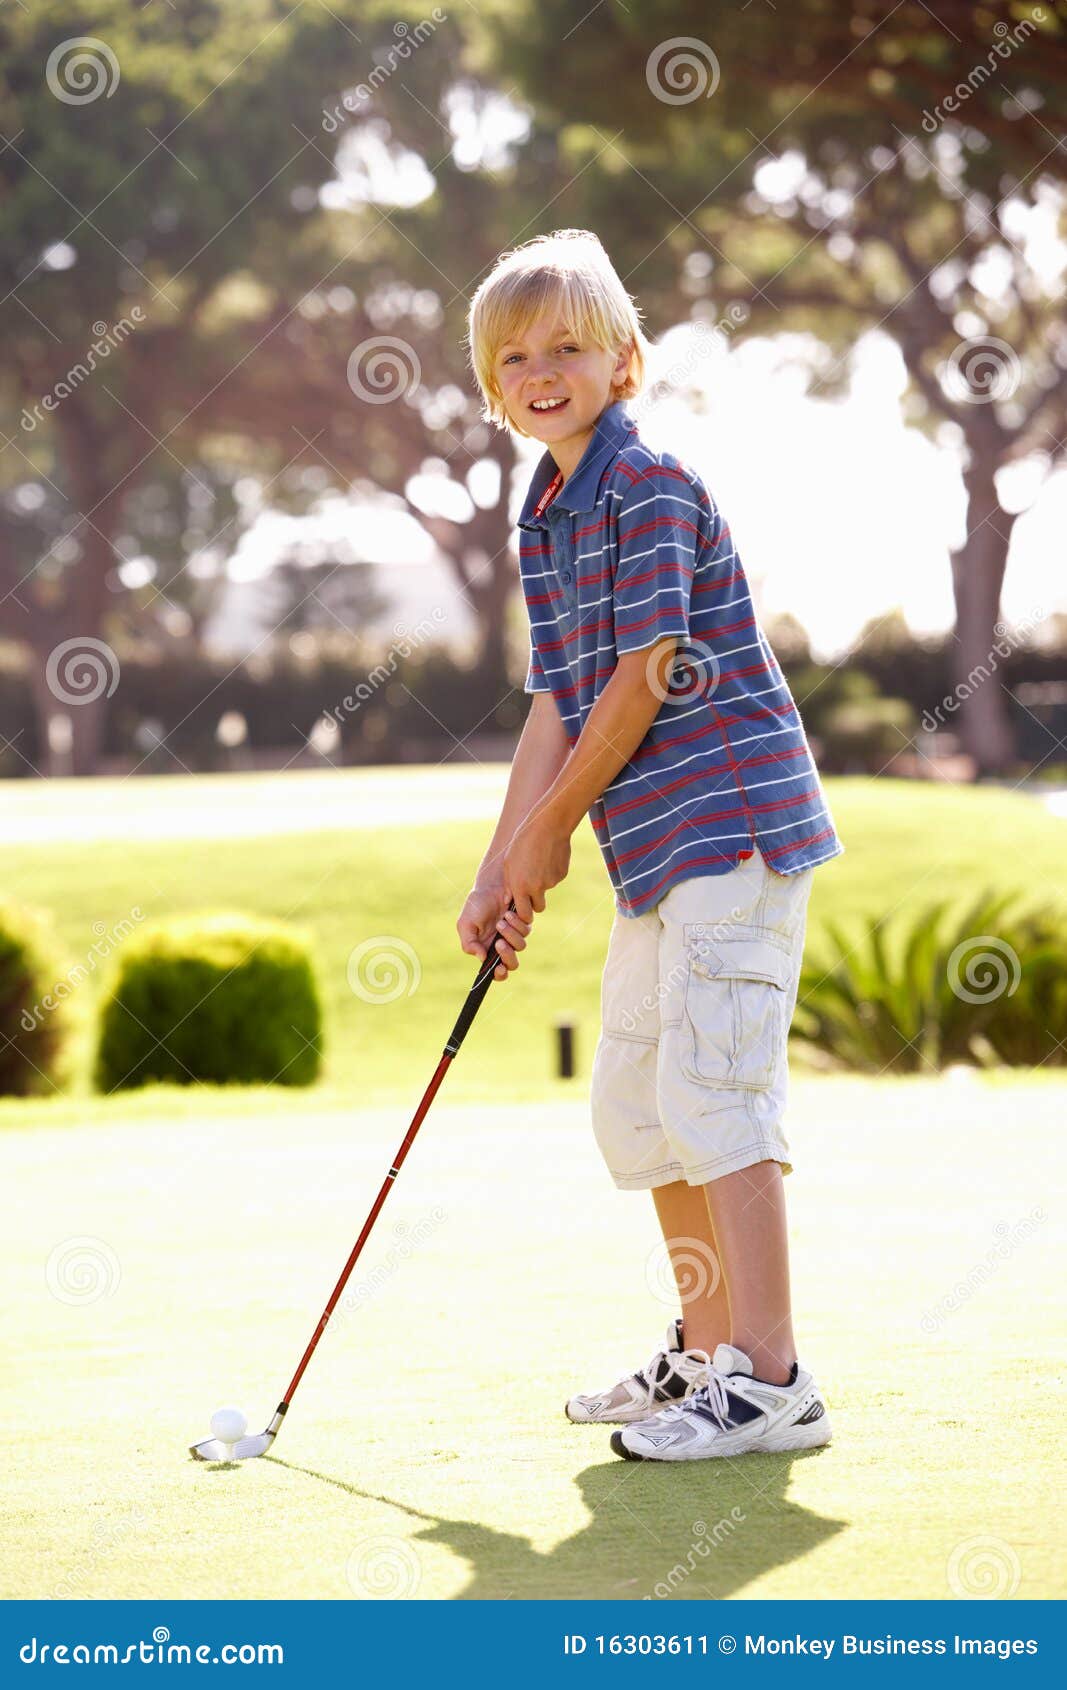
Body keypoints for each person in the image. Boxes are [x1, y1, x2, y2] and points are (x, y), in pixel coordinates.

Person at [456, 229, 844, 1462]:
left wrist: (550, 831)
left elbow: (642, 678)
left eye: (566, 347)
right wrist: (500, 863)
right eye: (514, 357)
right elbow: (556, 701)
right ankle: (704, 1349)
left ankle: (771, 1383)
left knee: (715, 1095)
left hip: (729, 826)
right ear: (491, 385)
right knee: (636, 1105)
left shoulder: (650, 483)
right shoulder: (545, 513)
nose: (540, 372)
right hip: (654, 852)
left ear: (622, 362)